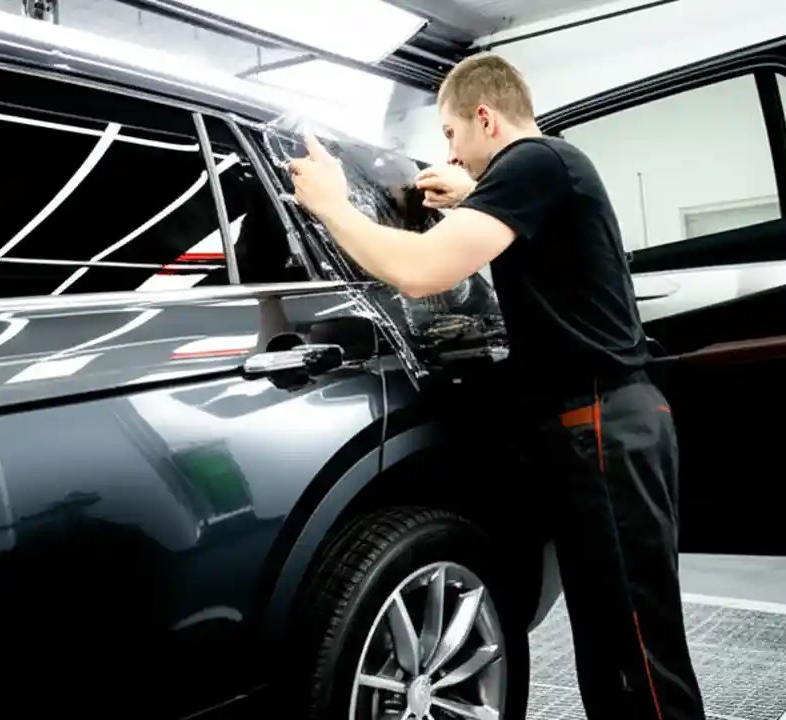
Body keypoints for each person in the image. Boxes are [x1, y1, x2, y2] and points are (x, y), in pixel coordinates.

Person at [287, 52, 706, 720]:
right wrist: (472, 192)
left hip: (602, 426)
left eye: (451, 137)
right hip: (605, 424)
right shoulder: (546, 173)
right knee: (609, 639)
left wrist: (334, 206)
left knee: (637, 652)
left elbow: (422, 271)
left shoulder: (536, 163)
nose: (450, 155)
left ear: (484, 117)